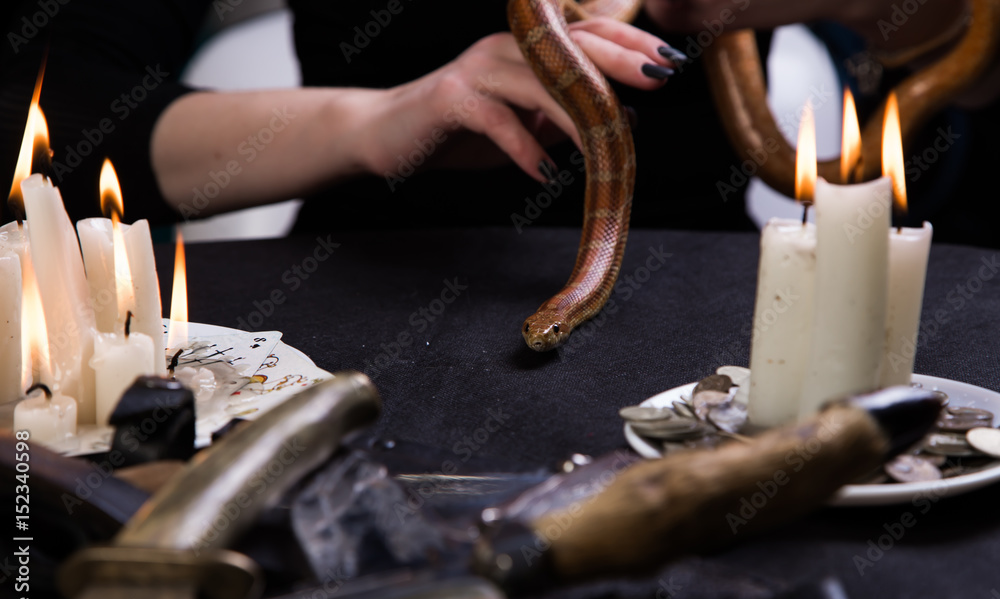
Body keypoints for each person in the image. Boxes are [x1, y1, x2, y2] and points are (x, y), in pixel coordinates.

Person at [1, 0, 997, 244]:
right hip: (366, 325)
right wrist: (380, 119)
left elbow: (954, 119)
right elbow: (54, 114)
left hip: (705, 321)